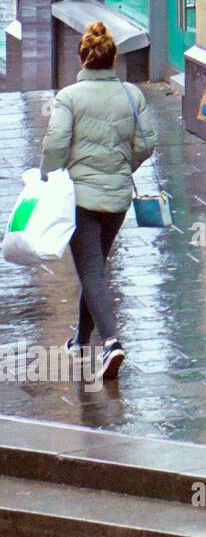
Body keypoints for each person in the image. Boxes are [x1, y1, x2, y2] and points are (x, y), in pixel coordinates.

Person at [40, 21, 157, 380]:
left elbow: (56, 143)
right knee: (95, 268)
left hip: (80, 197)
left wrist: (49, 174)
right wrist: (124, 167)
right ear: (112, 59)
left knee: (91, 270)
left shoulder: (69, 97)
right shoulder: (131, 95)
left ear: (83, 58)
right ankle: (80, 341)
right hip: (117, 198)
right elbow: (147, 142)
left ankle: (111, 343)